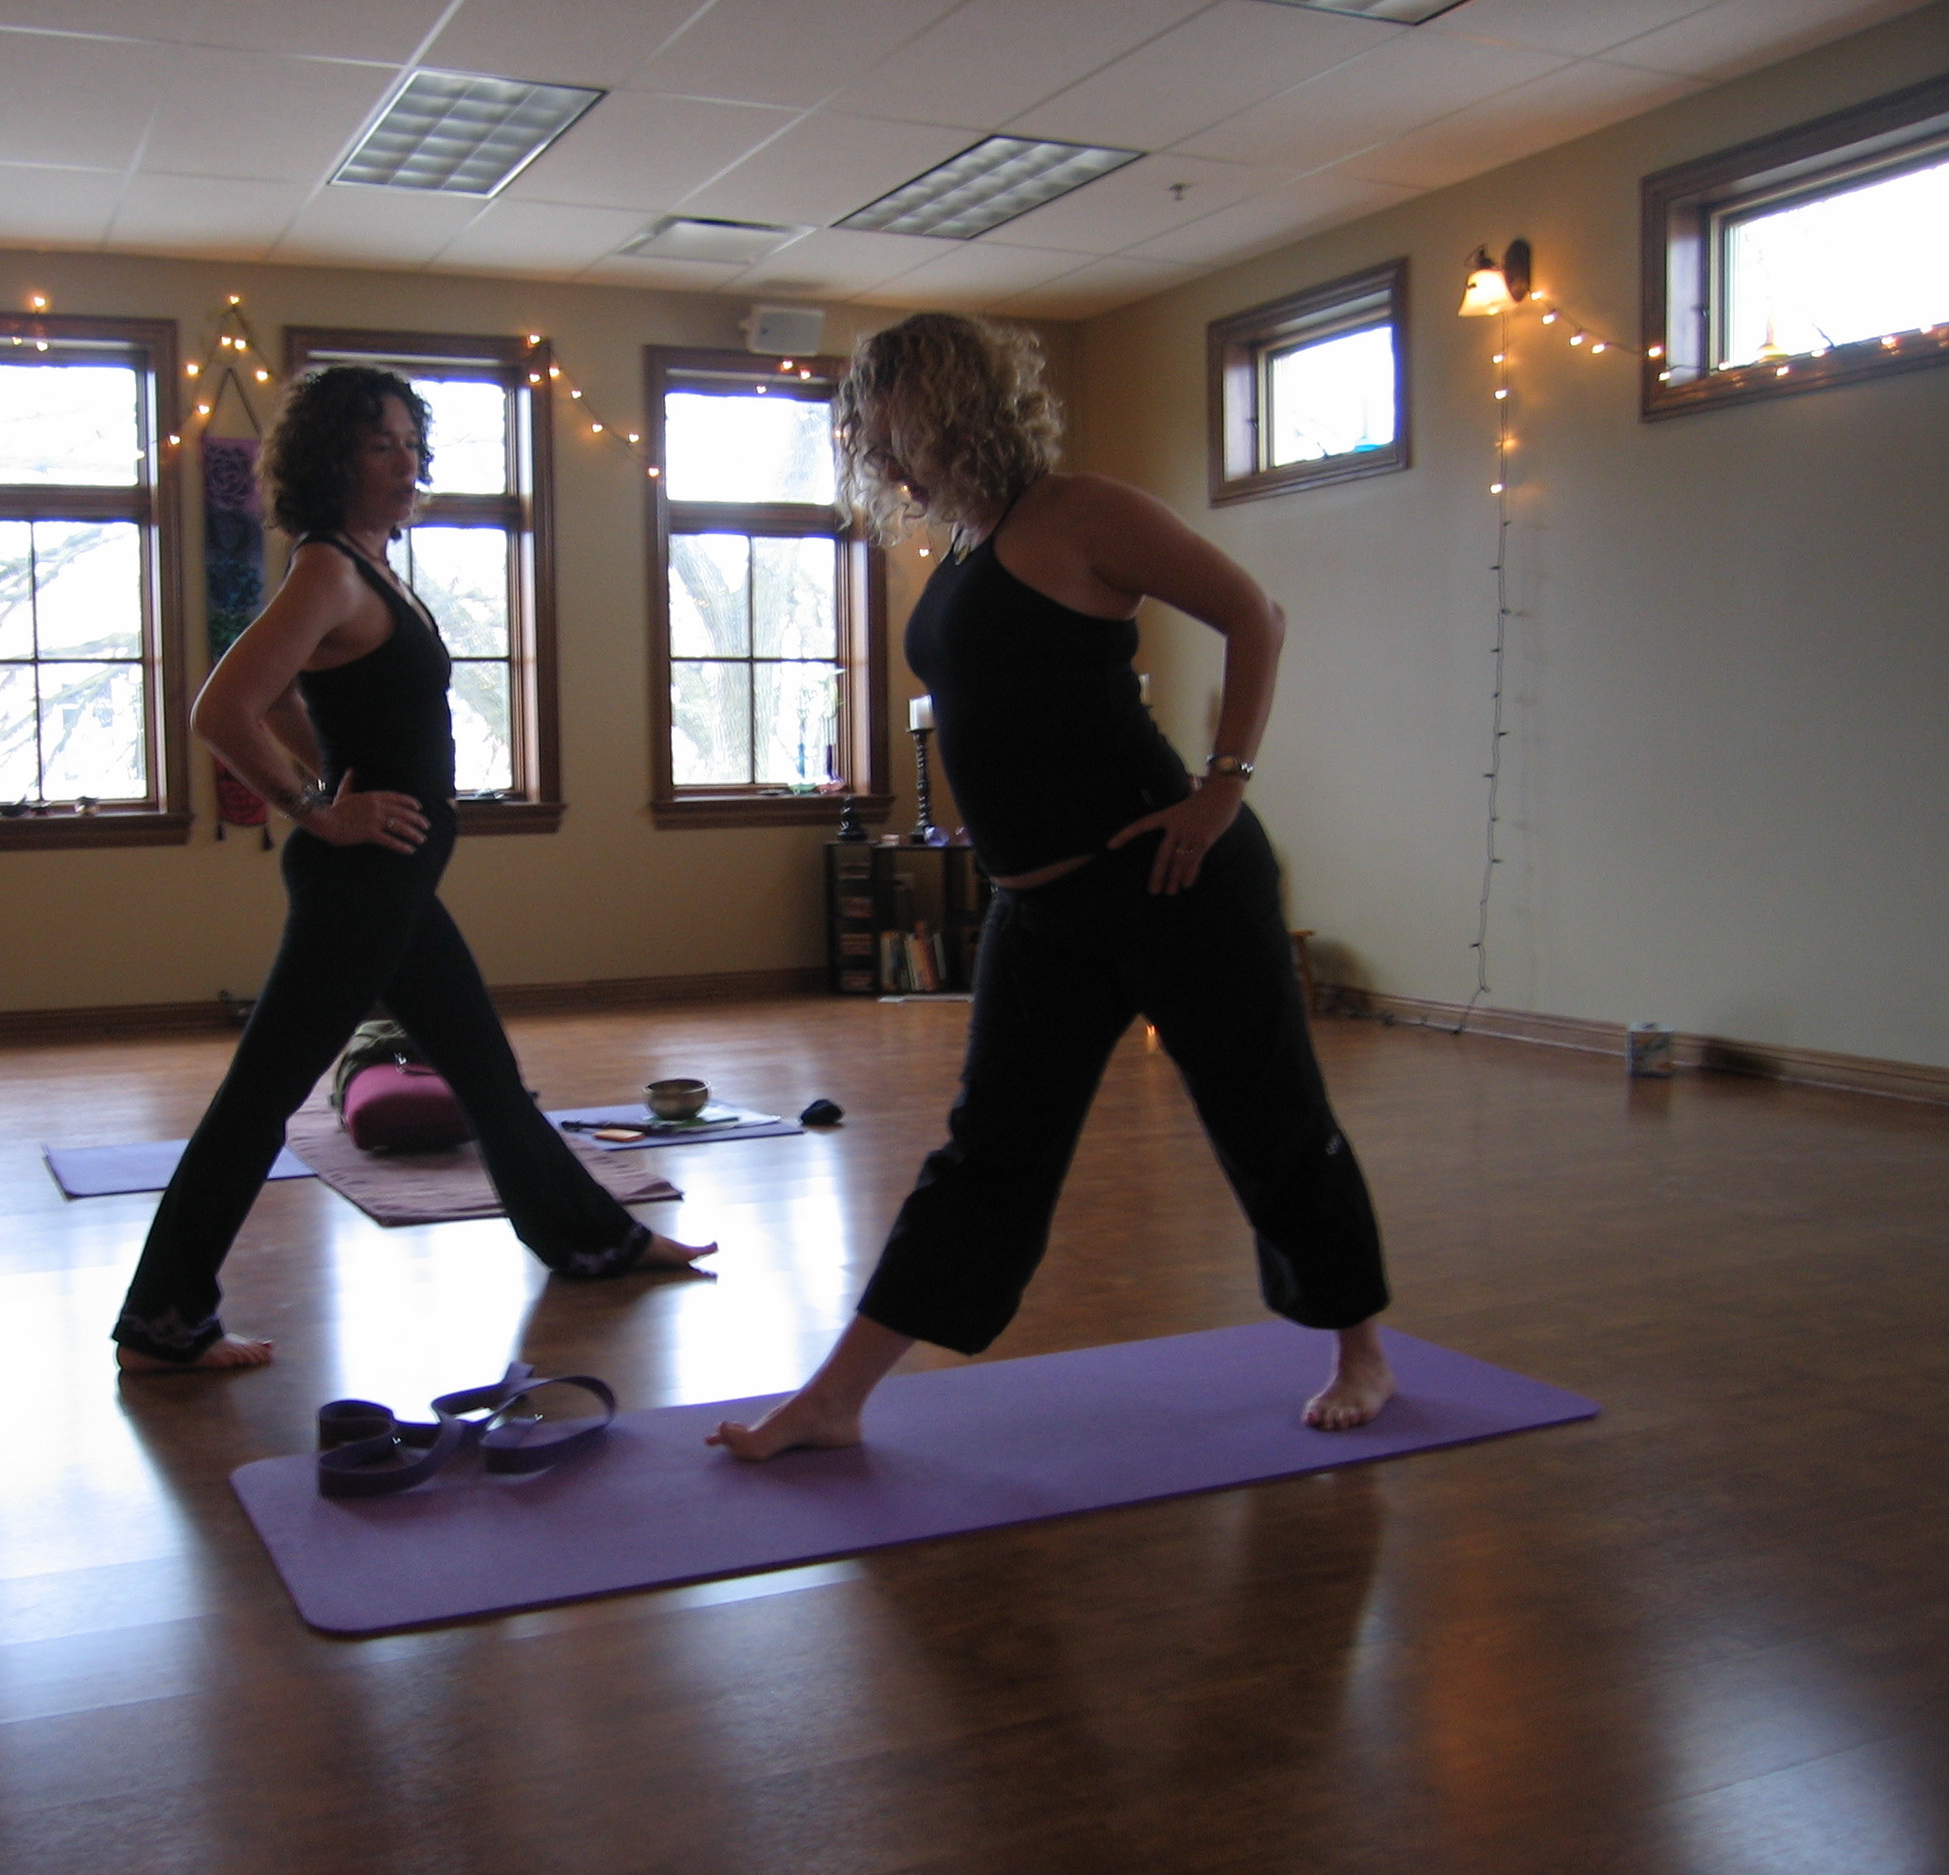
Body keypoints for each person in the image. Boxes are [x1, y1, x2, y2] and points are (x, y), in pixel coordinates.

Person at [710, 314, 1393, 1454]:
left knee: (1268, 1119)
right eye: (869, 438)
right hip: (1042, 910)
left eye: (890, 430)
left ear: (950, 409)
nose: (882, 457)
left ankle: (1360, 1347)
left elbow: (1253, 615)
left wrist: (1222, 786)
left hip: (1172, 879)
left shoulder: (1082, 512)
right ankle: (835, 1398)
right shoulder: (967, 544)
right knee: (988, 1153)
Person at [114, 366, 712, 1372]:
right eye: (378, 444)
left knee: (483, 1070)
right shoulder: (328, 570)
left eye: (409, 442)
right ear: (331, 460)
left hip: (392, 877)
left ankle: (591, 1239)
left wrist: (329, 772)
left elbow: (300, 697)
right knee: (263, 1093)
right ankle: (162, 1320)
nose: (405, 463)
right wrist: (321, 807)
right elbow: (223, 709)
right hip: (362, 881)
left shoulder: (366, 566)